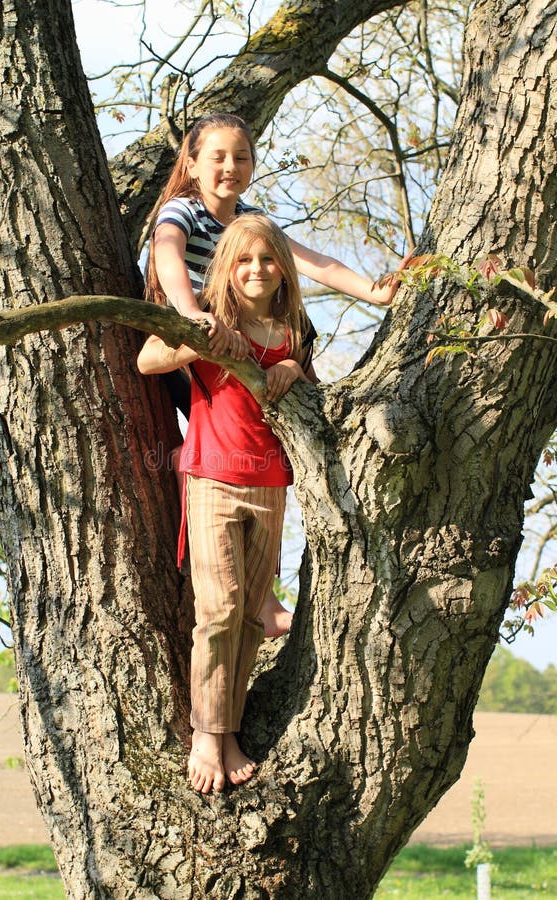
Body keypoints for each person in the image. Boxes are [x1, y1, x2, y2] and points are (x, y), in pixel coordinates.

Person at [143, 113, 402, 637]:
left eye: (241, 157)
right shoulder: (182, 211)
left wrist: (373, 292)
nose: (230, 167)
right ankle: (256, 598)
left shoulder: (251, 220)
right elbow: (166, 254)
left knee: (268, 419)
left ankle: (260, 593)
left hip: (241, 346)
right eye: (217, 156)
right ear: (191, 164)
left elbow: (313, 263)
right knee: (206, 444)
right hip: (194, 343)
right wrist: (192, 314)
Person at [138, 214, 317, 793]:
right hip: (212, 476)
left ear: (282, 269)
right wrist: (199, 338)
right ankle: (206, 736)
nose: (257, 270)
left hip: (270, 484)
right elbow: (147, 360)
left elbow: (307, 389)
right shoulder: (212, 322)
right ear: (226, 269)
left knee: (246, 617)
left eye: (267, 260)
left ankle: (229, 730)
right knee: (218, 610)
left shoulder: (292, 331)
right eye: (243, 261)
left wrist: (292, 367)